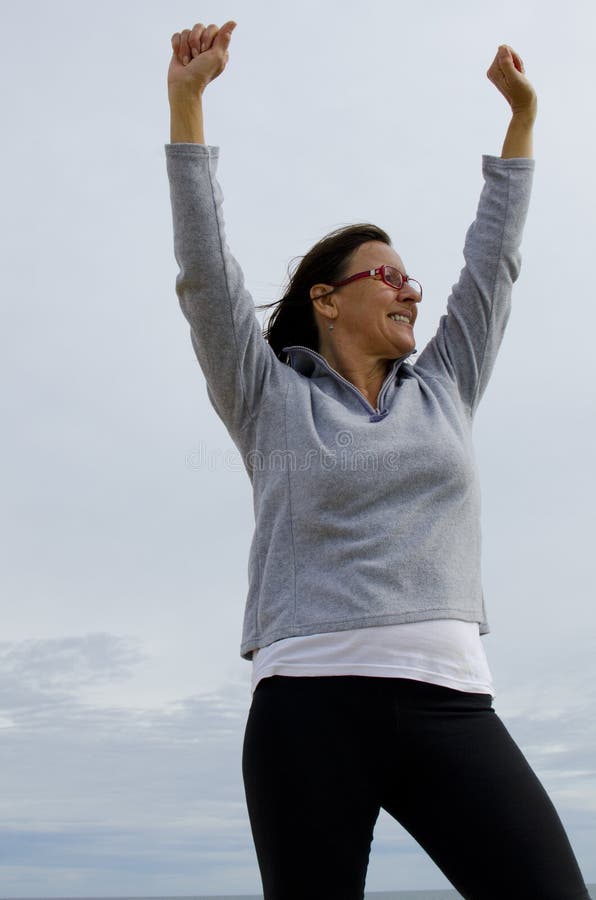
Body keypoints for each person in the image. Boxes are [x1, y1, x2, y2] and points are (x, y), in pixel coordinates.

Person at [165, 21, 592, 900]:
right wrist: (187, 102)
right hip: (308, 708)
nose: (410, 288)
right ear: (325, 299)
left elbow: (494, 266)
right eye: (386, 275)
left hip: (451, 704)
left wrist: (521, 122)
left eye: (411, 279)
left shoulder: (445, 385)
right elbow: (206, 276)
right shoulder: (269, 396)